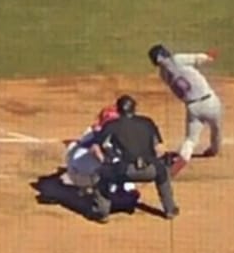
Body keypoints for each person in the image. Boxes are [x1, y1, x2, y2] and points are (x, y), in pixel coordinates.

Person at [89, 94, 179, 223]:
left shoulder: (112, 125)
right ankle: (170, 209)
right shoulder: (148, 122)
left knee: (99, 174)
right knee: (162, 172)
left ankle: (102, 213)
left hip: (125, 171)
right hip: (151, 169)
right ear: (134, 109)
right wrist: (158, 164)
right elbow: (160, 149)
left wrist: (105, 162)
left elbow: (95, 148)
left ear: (118, 110)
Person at [148, 43, 222, 173]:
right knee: (216, 127)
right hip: (210, 102)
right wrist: (209, 55)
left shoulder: (163, 75)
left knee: (190, 140)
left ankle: (179, 163)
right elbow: (202, 59)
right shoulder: (178, 59)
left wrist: (207, 56)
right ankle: (214, 149)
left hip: (192, 107)